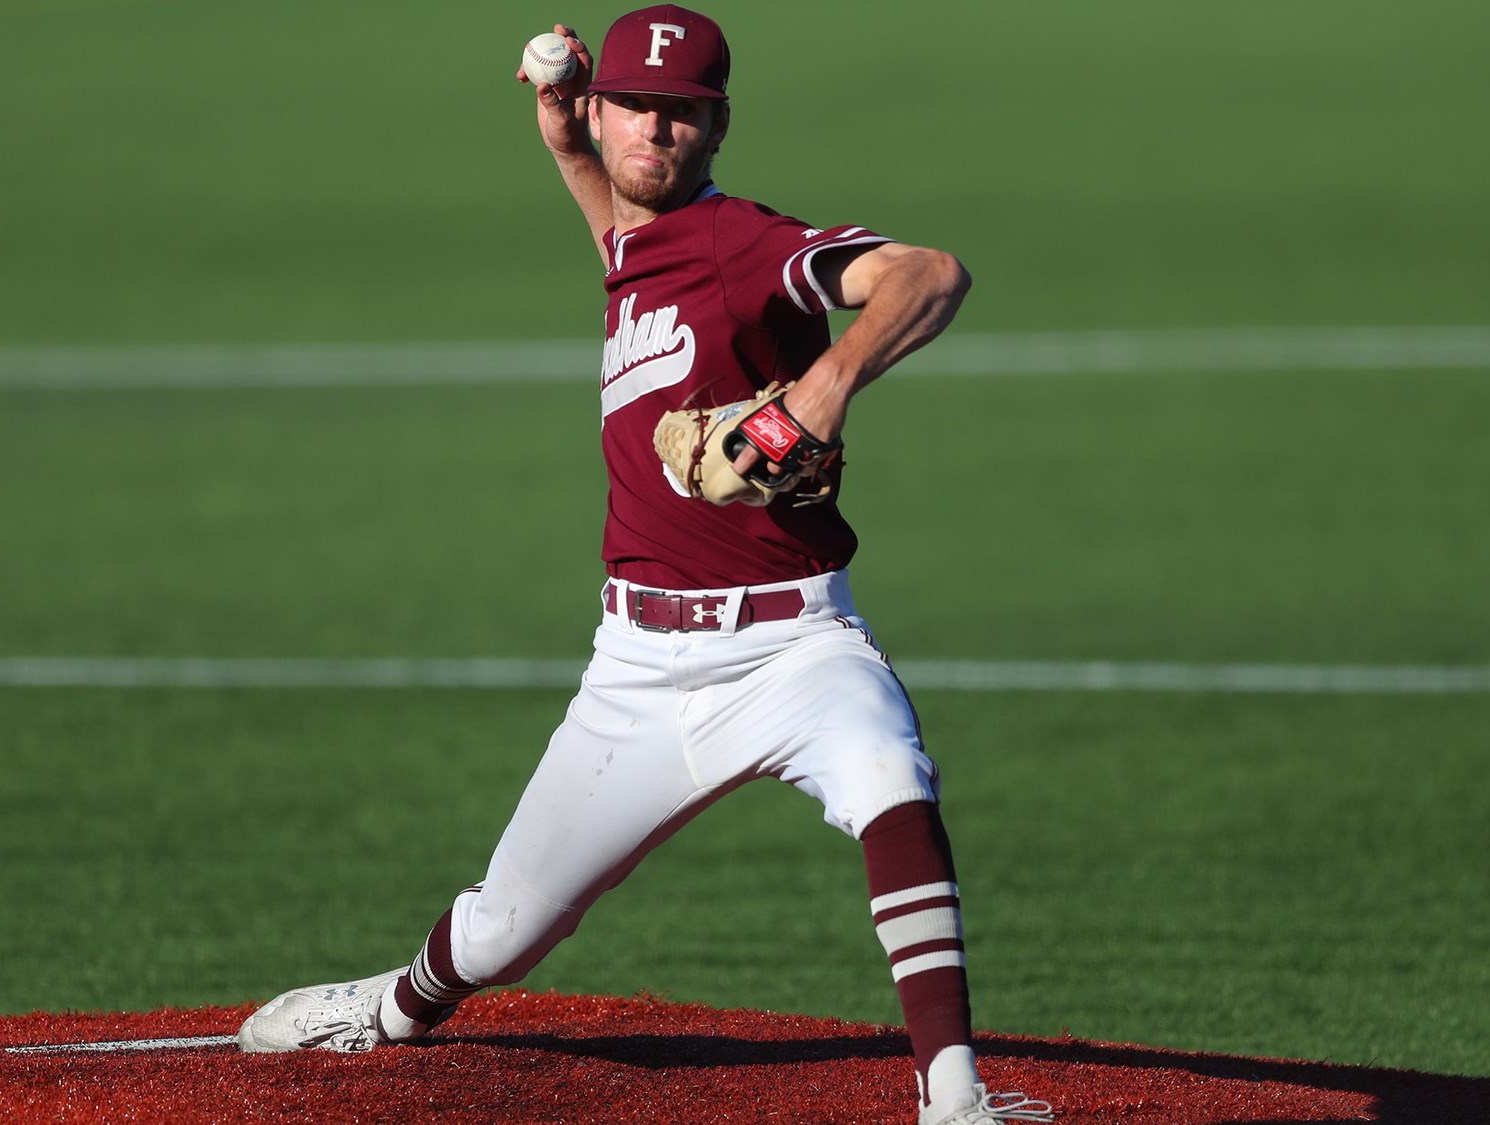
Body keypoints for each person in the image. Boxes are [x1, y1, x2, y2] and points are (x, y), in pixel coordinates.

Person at [236, 8, 1053, 1123]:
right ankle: (387, 1010)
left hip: (791, 647)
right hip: (632, 669)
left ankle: (951, 1096)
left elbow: (929, 274)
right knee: (500, 929)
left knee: (891, 783)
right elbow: (612, 214)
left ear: (714, 128)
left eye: (681, 114)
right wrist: (564, 140)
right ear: (604, 107)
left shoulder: (743, 243)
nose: (655, 131)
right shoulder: (632, 240)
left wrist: (819, 391)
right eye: (636, 108)